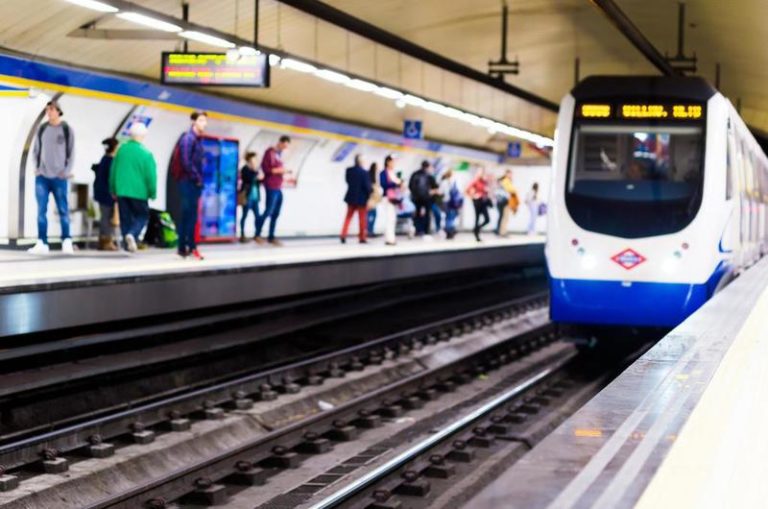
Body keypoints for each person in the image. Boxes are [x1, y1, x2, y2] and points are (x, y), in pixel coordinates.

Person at [28, 100, 75, 255]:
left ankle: (67, 240)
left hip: (60, 178)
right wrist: (37, 169)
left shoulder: (66, 130)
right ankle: (42, 242)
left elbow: (71, 152)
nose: (49, 112)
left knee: (63, 209)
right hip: (42, 177)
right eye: (48, 109)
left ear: (59, 111)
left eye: (52, 109)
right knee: (41, 210)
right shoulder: (42, 129)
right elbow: (35, 151)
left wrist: (66, 171)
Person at [109, 123, 156, 253]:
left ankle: (126, 245)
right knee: (142, 215)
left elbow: (113, 171)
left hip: (122, 190)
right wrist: (152, 192)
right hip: (139, 192)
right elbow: (151, 176)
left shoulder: (121, 150)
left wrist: (113, 188)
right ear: (143, 136)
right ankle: (132, 234)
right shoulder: (146, 154)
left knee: (125, 217)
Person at [176, 111, 207, 260]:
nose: (204, 124)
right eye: (201, 120)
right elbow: (186, 161)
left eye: (205, 121)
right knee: (189, 216)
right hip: (188, 182)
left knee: (190, 216)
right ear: (193, 121)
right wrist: (197, 178)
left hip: (192, 182)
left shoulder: (197, 140)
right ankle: (188, 246)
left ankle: (185, 247)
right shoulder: (188, 139)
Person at [255, 135, 291, 246]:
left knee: (276, 212)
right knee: (268, 211)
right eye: (284, 145)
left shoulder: (279, 155)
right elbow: (266, 169)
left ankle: (271, 236)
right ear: (280, 142)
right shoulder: (270, 152)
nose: (284, 148)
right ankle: (257, 234)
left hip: (278, 186)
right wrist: (281, 170)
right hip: (271, 185)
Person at [91, 137, 119, 251]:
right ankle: (107, 241)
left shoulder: (104, 159)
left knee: (105, 217)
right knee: (107, 218)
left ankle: (103, 241)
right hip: (108, 193)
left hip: (100, 192)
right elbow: (112, 178)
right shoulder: (111, 161)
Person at [340, 154, 373, 244]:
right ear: (361, 161)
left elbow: (347, 181)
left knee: (348, 217)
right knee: (362, 219)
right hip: (361, 198)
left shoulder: (349, 171)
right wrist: (370, 194)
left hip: (351, 197)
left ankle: (343, 234)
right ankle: (362, 237)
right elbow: (367, 186)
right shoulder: (364, 172)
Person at [239, 151, 263, 242]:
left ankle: (257, 235)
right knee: (244, 215)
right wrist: (255, 173)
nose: (256, 161)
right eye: (254, 159)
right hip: (247, 196)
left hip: (255, 196)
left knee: (257, 216)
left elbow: (259, 181)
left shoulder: (255, 170)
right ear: (249, 159)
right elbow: (249, 179)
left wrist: (257, 173)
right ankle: (242, 235)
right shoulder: (245, 169)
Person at [408, 160, 437, 237]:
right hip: (427, 198)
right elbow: (435, 187)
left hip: (416, 198)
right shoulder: (429, 175)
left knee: (417, 214)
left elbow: (410, 186)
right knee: (427, 215)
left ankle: (417, 231)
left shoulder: (414, 174)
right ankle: (426, 231)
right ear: (427, 167)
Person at [380, 155, 403, 246]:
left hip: (394, 198)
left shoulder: (393, 173)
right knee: (389, 218)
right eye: (392, 161)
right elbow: (384, 184)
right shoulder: (383, 173)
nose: (394, 163)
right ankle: (389, 238)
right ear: (388, 162)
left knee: (393, 218)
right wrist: (395, 184)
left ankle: (391, 237)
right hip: (387, 197)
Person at [466, 167, 491, 242]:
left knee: (487, 219)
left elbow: (486, 192)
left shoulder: (484, 182)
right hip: (477, 201)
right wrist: (473, 196)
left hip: (483, 202)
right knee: (477, 218)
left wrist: (487, 192)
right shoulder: (475, 181)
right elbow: (467, 190)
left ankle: (476, 229)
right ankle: (476, 234)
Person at [439, 169, 462, 239]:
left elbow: (440, 192)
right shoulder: (453, 182)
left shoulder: (444, 182)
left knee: (447, 217)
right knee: (451, 217)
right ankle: (450, 231)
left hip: (446, 201)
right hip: (453, 202)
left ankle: (448, 231)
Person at [495, 169, 519, 237]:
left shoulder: (506, 181)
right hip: (504, 201)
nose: (511, 175)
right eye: (510, 174)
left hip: (505, 201)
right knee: (504, 217)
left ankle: (502, 231)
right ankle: (502, 232)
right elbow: (510, 190)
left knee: (504, 217)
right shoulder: (505, 181)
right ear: (507, 174)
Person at [366, 163, 381, 237]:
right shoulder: (370, 177)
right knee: (370, 215)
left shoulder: (375, 176)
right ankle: (369, 231)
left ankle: (370, 230)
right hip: (371, 199)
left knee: (372, 215)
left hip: (374, 199)